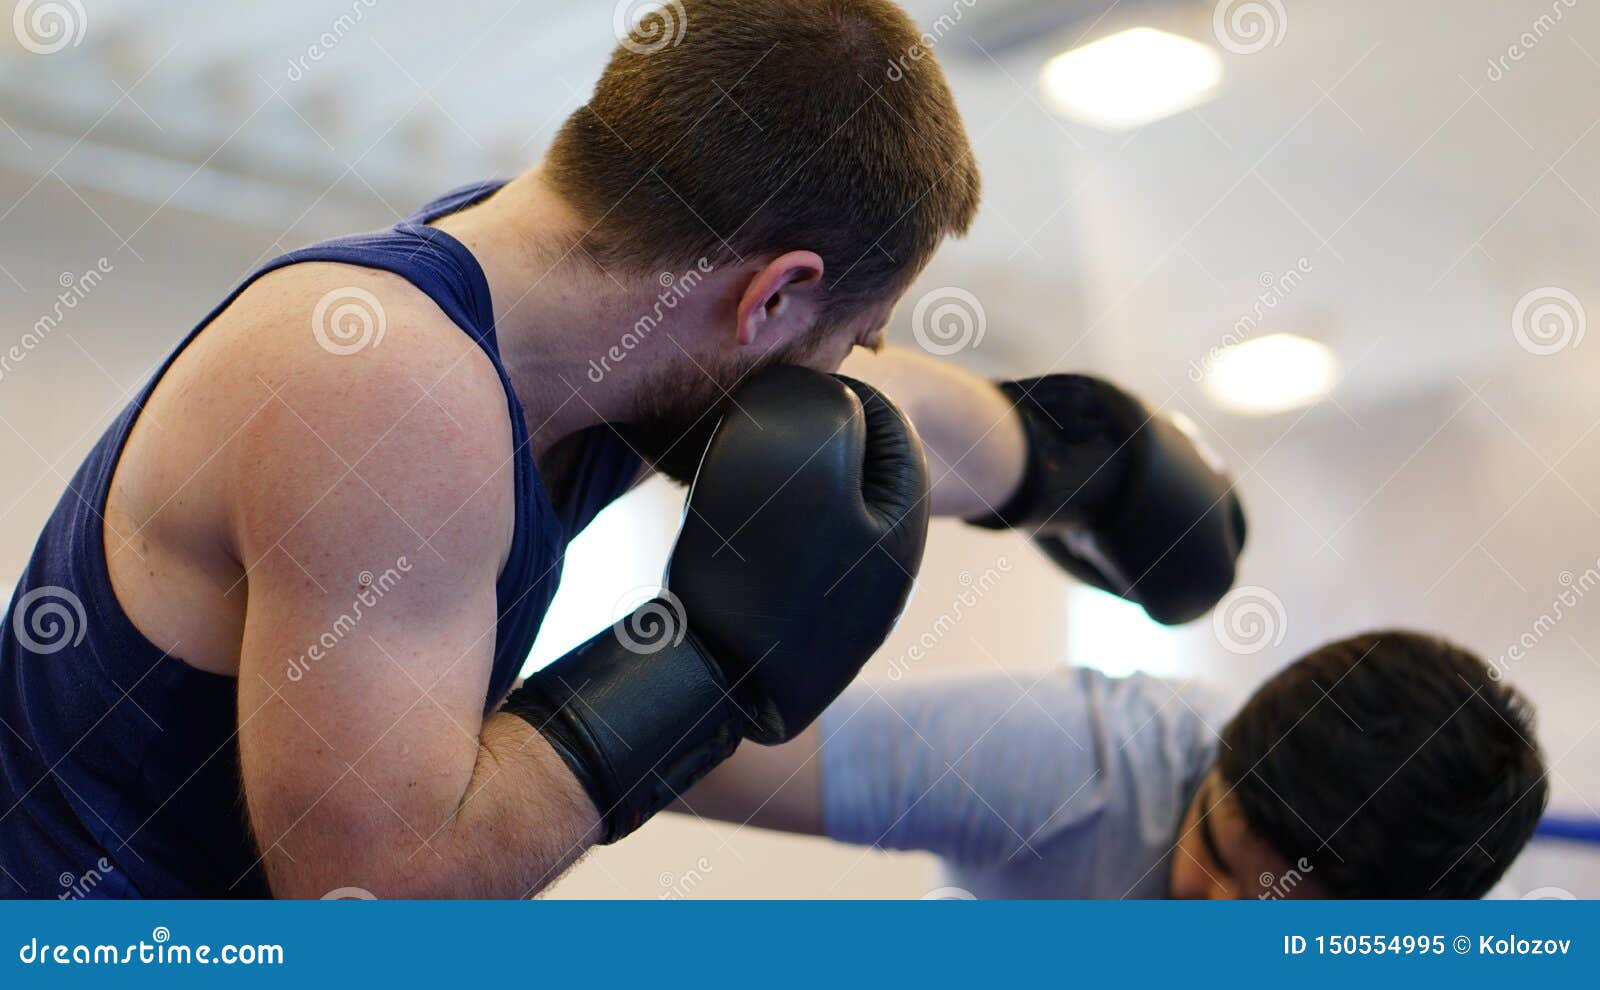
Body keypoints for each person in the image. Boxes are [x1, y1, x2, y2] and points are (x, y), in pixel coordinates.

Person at [0, 0, 1245, 899]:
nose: (851, 375)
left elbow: (912, 418)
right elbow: (378, 902)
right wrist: (706, 665)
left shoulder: (578, 298)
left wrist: (1087, 464)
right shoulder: (386, 387)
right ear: (771, 299)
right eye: (854, 335)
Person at [682, 630, 1549, 899]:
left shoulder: (1433, 887)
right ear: (1218, 768)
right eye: (1214, 857)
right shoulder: (1070, 759)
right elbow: (690, 752)